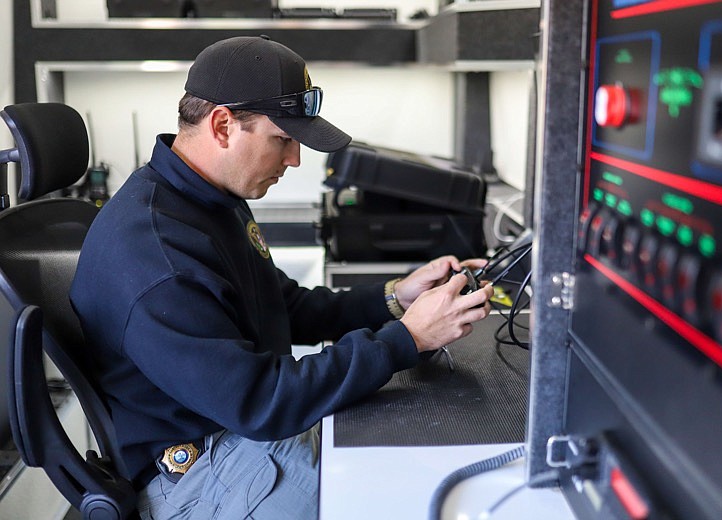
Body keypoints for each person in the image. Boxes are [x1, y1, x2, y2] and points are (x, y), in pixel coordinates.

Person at [70, 35, 494, 519]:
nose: (294, 160)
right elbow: (263, 400)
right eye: (283, 139)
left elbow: (282, 306)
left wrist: (396, 298)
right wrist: (408, 339)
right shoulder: (155, 252)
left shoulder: (205, 199)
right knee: (399, 492)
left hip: (236, 427)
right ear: (223, 125)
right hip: (195, 476)